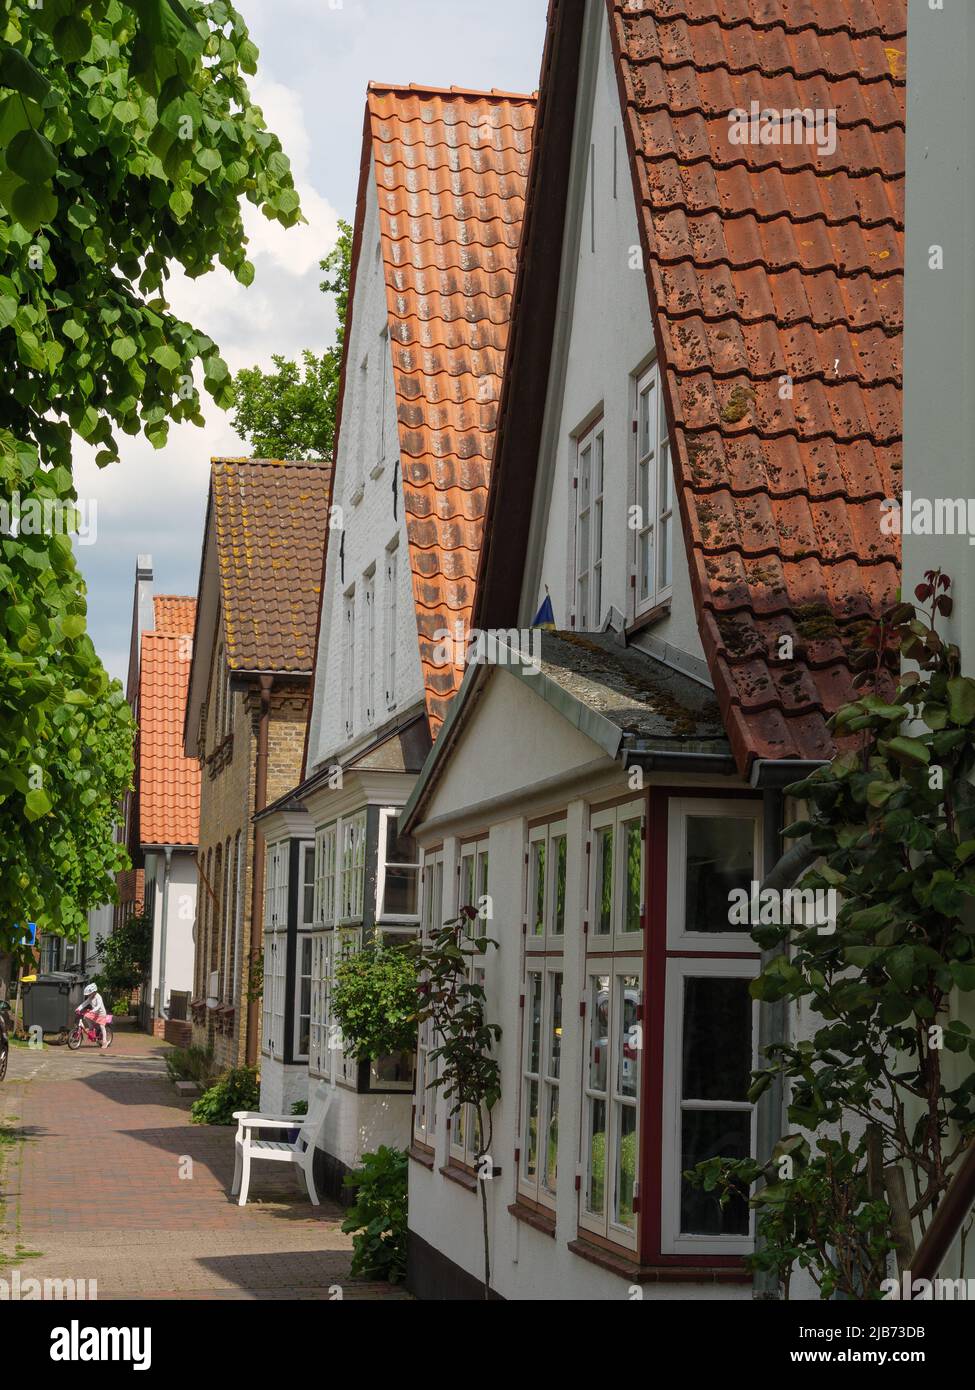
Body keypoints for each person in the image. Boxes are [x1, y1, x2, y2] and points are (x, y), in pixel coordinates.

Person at [81, 982, 109, 1049]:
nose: (88, 996)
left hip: (101, 1014)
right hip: (95, 1013)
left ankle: (105, 1042)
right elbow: (84, 1003)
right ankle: (91, 1027)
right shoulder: (90, 997)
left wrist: (92, 1010)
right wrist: (78, 1008)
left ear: (93, 992)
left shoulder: (98, 997)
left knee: (102, 1026)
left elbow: (99, 1006)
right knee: (86, 1016)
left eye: (89, 994)